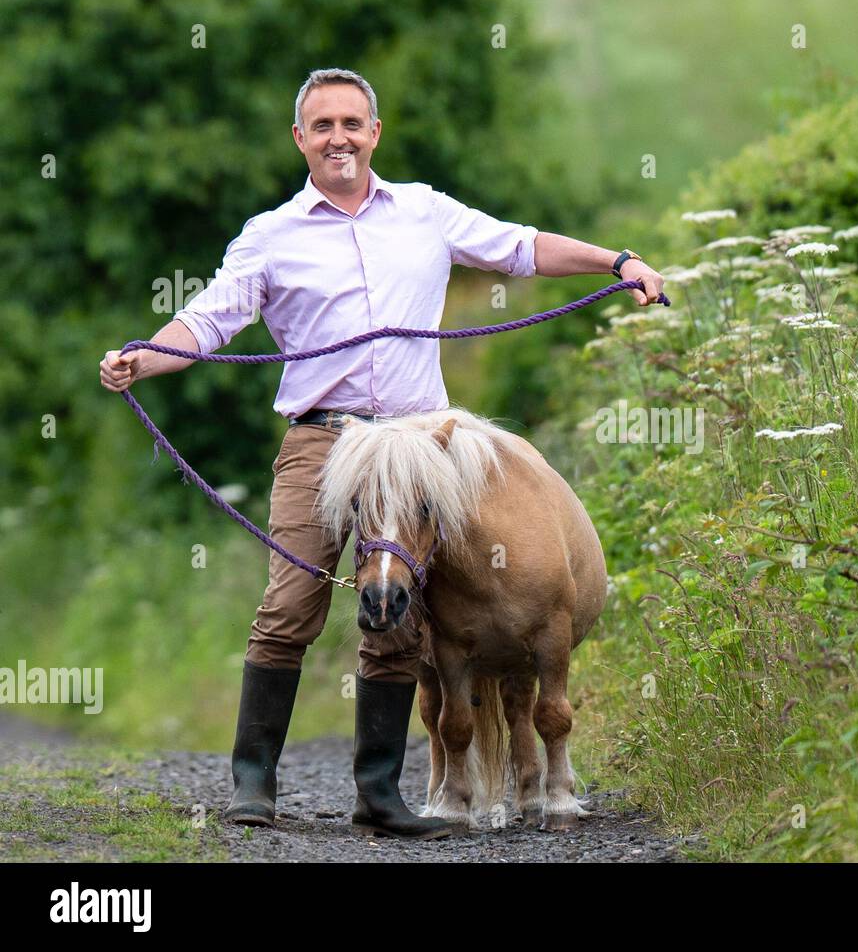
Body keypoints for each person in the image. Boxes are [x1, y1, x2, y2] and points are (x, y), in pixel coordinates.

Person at [98, 68, 664, 839]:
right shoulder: (271, 234)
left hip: (416, 448)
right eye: (322, 125)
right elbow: (208, 322)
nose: (339, 137)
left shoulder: (426, 212)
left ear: (375, 133)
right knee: (288, 609)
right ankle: (253, 783)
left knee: (397, 615)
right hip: (322, 445)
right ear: (300, 138)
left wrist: (617, 262)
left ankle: (381, 796)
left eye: (352, 123)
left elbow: (521, 249)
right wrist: (142, 358)